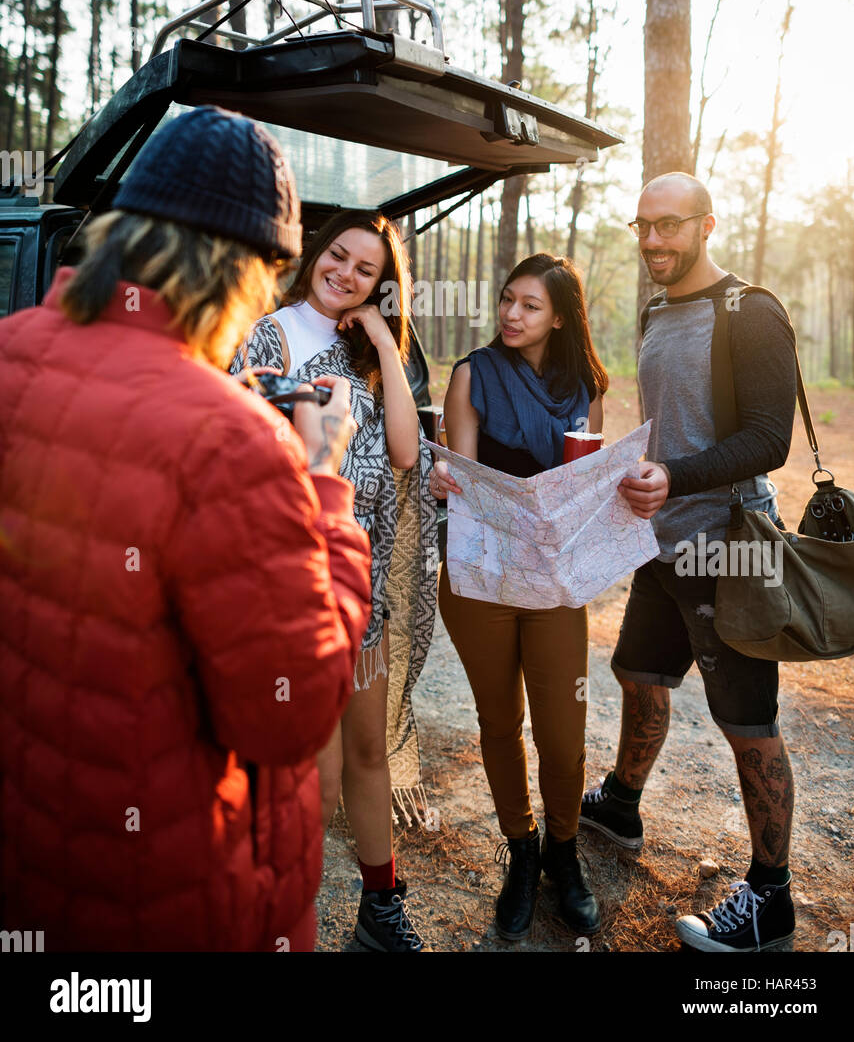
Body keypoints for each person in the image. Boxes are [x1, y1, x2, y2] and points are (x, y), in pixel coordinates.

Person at [0, 106, 372, 953]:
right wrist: (317, 484)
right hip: (173, 893)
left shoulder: (10, 351)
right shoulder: (229, 443)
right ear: (242, 271)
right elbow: (290, 715)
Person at [580, 171, 799, 953]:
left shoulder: (749, 312)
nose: (651, 241)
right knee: (638, 677)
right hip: (663, 539)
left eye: (669, 225)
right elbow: (669, 425)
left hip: (730, 546)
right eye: (642, 225)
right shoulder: (654, 308)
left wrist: (676, 476)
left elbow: (769, 439)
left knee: (746, 719)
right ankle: (620, 803)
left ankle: (769, 897)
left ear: (707, 226)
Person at [231, 209, 438, 953]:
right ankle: (290, 918)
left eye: (366, 271)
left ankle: (379, 909)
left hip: (368, 585)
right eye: (338, 256)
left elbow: (408, 454)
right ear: (315, 253)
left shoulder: (368, 353)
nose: (345, 274)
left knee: (367, 752)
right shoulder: (270, 335)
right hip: (299, 588)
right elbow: (240, 455)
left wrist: (383, 338)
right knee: (309, 775)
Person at [431, 252, 608, 941]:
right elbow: (459, 474)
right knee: (498, 723)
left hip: (555, 580)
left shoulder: (584, 385)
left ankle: (564, 854)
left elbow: (588, 485)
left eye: (530, 305)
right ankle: (522, 850)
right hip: (481, 578)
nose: (511, 313)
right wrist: (443, 478)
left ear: (558, 316)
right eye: (507, 299)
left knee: (561, 738)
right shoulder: (472, 374)